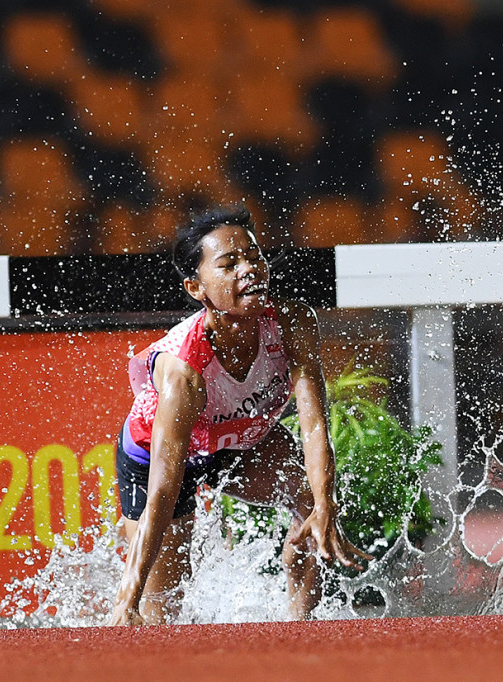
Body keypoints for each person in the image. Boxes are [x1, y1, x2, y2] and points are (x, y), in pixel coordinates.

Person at [108, 205, 369, 626]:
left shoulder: (293, 321)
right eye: (229, 264)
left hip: (237, 442)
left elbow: (314, 425)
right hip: (157, 460)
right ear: (197, 288)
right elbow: (161, 489)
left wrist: (325, 505)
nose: (249, 269)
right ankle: (131, 612)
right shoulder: (183, 371)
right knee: (160, 611)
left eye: (254, 257)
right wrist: (127, 600)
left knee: (311, 502)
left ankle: (301, 628)